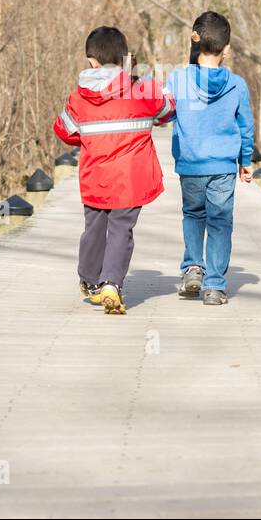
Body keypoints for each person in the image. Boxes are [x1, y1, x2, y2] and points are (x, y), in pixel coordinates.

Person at [52, 26, 174, 315]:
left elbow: (64, 131)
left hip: (95, 179)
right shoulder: (141, 90)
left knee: (94, 228)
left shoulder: (78, 98)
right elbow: (167, 111)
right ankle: (111, 282)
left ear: (91, 61)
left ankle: (90, 279)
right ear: (124, 59)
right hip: (131, 180)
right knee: (121, 229)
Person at [165, 11, 254, 305]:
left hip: (191, 164)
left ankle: (193, 268)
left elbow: (164, 114)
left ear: (196, 42)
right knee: (220, 222)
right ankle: (215, 285)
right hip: (223, 168)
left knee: (193, 215)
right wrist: (246, 161)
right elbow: (245, 126)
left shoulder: (178, 78)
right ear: (226, 49)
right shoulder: (237, 85)